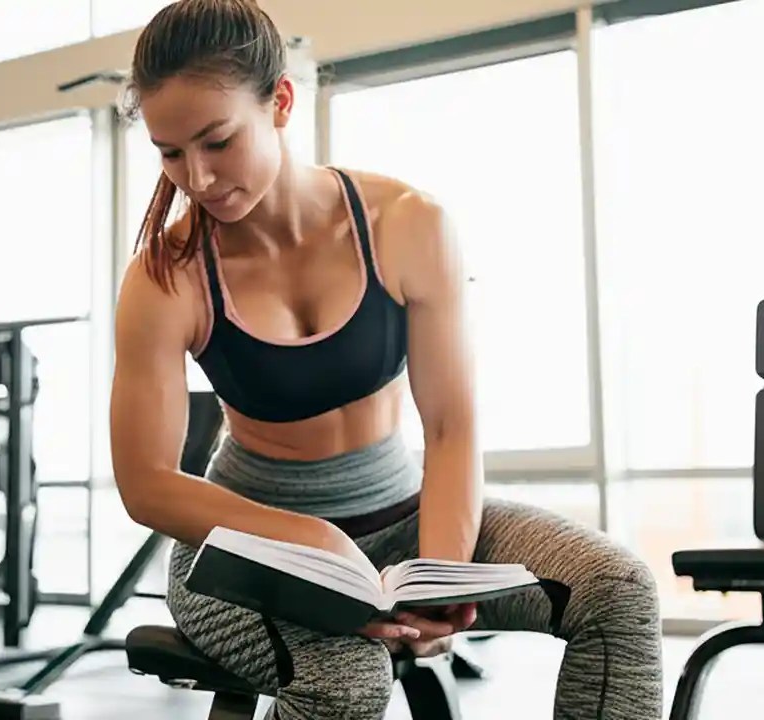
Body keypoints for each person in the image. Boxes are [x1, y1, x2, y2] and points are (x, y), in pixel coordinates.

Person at [109, 1, 663, 717]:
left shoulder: (407, 225)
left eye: (217, 142)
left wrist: (438, 577)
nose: (199, 178)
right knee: (348, 683)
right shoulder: (166, 276)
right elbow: (147, 485)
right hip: (252, 553)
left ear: (279, 101)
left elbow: (452, 425)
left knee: (615, 590)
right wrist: (314, 538)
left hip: (403, 519)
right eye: (170, 152)